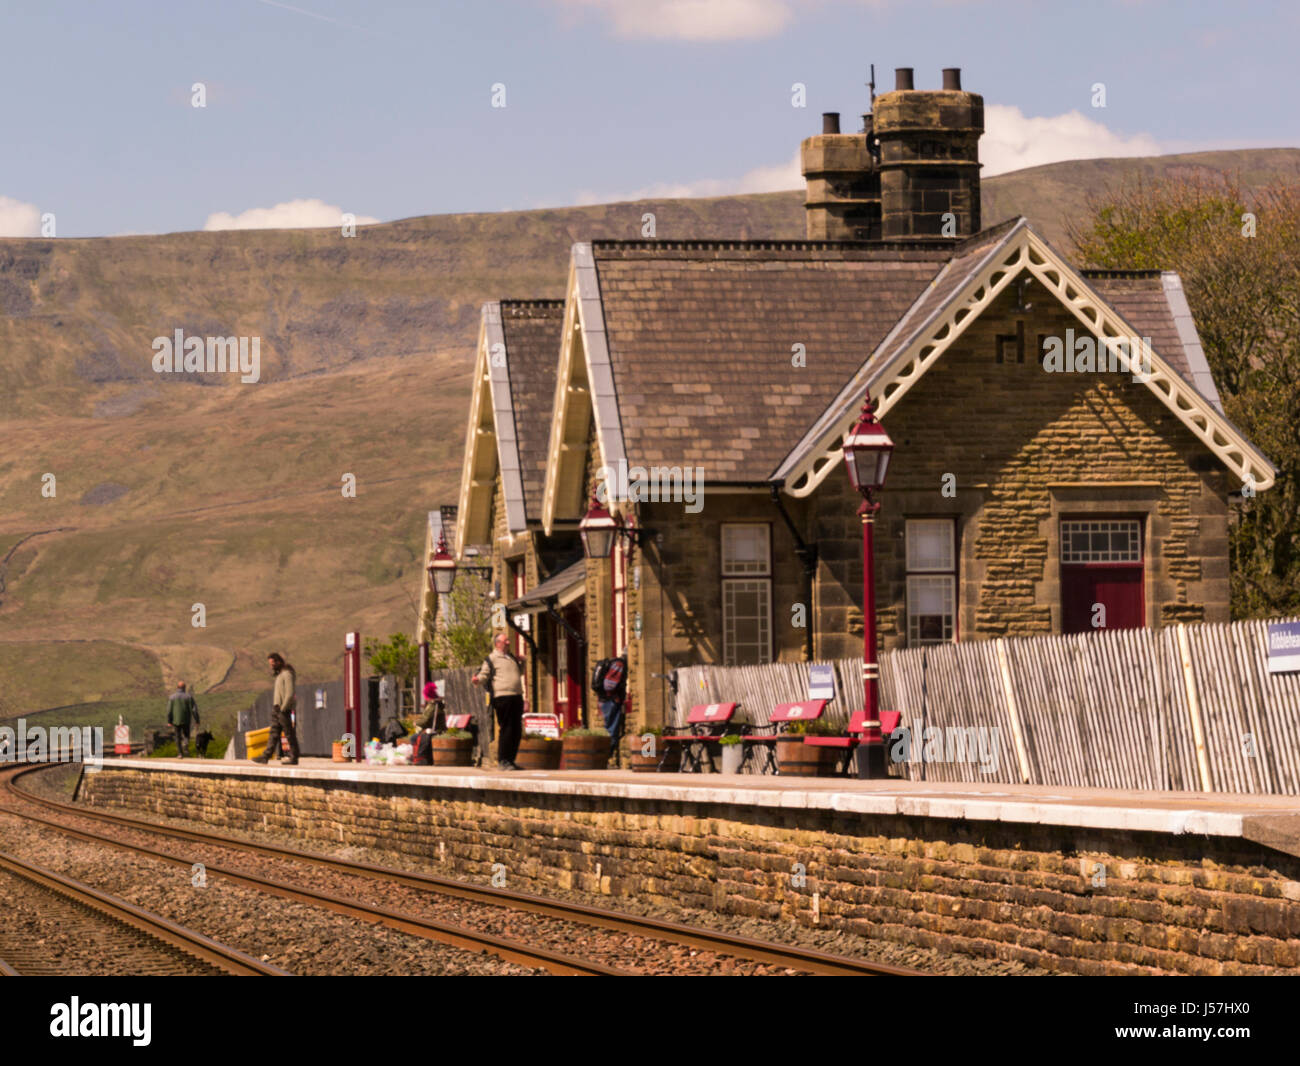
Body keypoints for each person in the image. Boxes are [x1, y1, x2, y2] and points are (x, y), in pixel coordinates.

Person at [472, 632, 525, 771]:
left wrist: (522, 662)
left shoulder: (511, 657)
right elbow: (484, 674)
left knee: (517, 730)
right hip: (502, 697)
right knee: (507, 728)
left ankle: (511, 760)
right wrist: (477, 680)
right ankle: (503, 760)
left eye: (508, 640)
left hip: (516, 696)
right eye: (505, 641)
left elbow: (519, 673)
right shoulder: (492, 658)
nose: (508, 642)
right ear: (498, 643)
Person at [254, 652, 300, 766]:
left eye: (273, 663)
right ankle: (266, 756)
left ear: (278, 661)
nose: (271, 666)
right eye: (270, 664)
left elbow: (289, 693)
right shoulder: (280, 675)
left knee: (289, 733)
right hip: (277, 709)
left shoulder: (287, 674)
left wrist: (283, 708)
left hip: (283, 709)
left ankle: (294, 757)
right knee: (274, 733)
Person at [594, 653, 628, 765]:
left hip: (605, 700)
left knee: (609, 729)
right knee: (611, 730)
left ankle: (605, 757)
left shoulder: (613, 662)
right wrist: (614, 695)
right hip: (610, 701)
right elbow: (609, 684)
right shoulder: (619, 664)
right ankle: (604, 758)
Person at [166, 681, 199, 759]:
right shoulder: (189, 697)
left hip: (176, 721)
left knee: (177, 736)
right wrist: (197, 720)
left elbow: (169, 711)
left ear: (177, 687)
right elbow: (194, 710)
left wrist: (169, 721)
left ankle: (180, 753)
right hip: (186, 720)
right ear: (185, 688)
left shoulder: (172, 697)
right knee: (186, 735)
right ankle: (185, 744)